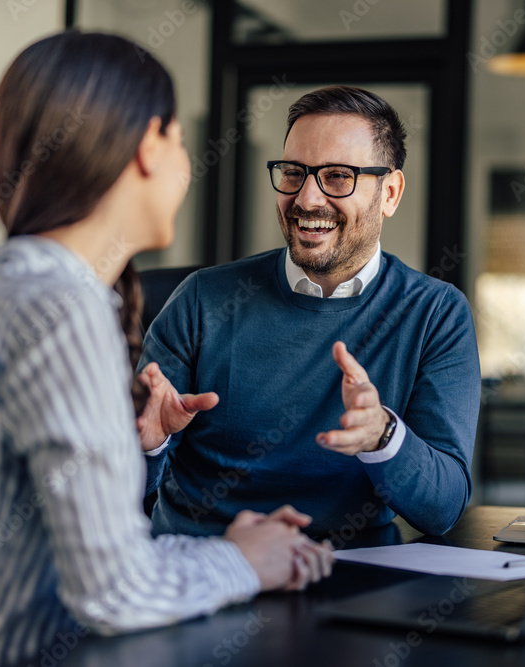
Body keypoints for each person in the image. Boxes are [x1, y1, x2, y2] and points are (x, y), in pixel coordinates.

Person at [0, 32, 332, 666]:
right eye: (180, 140)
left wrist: (227, 548)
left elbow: (83, 560)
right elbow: (113, 593)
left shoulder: (8, 294)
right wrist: (240, 562)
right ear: (151, 146)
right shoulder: (59, 312)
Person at [137, 86, 481, 543]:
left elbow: (443, 509)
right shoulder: (203, 299)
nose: (307, 199)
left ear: (390, 193)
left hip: (352, 585)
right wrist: (146, 447)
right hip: (207, 577)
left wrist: (383, 436)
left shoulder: (436, 313)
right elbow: (110, 495)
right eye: (294, 173)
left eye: (338, 176)